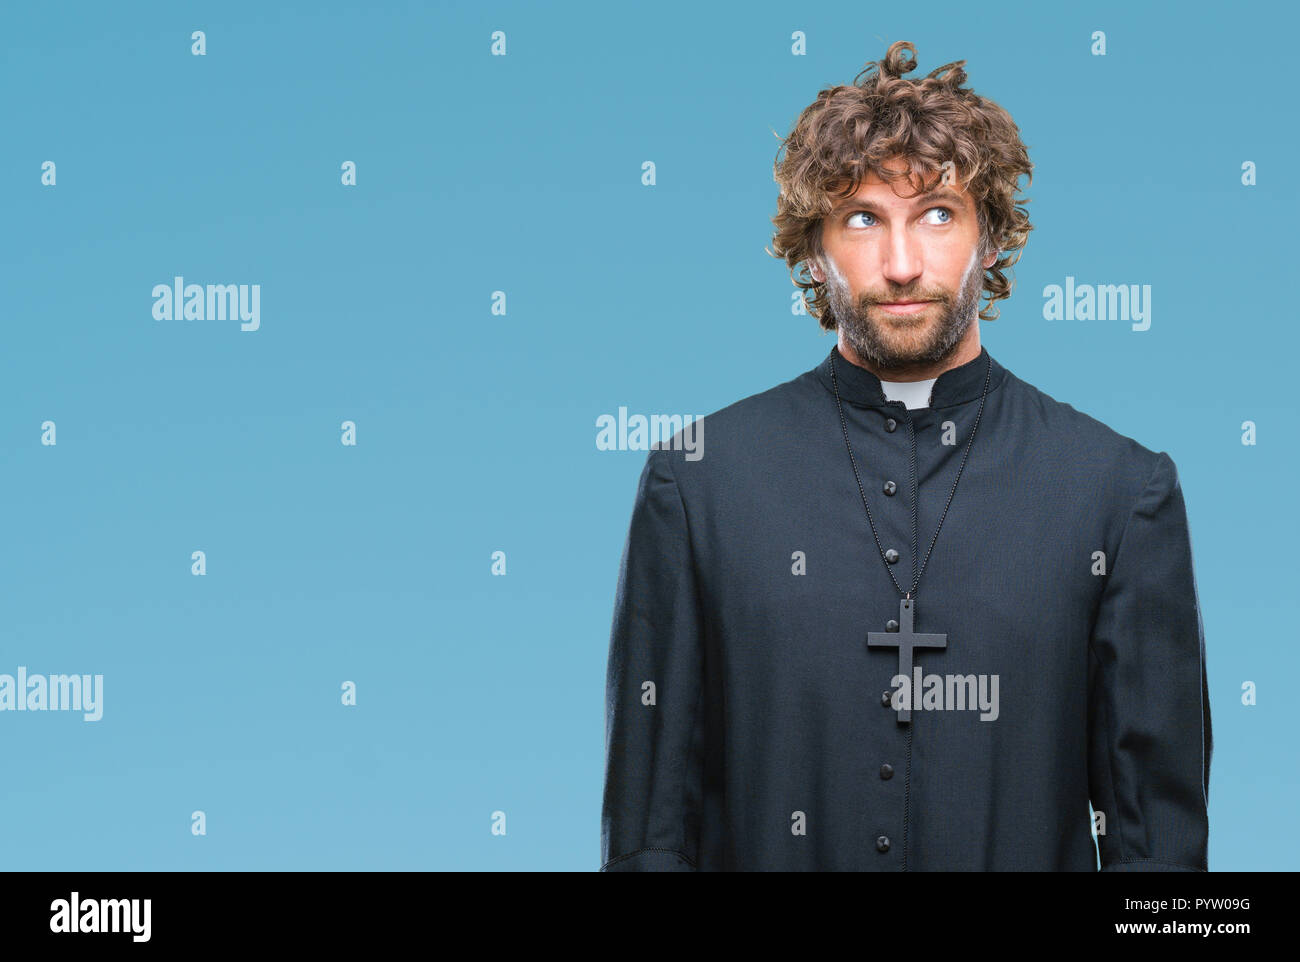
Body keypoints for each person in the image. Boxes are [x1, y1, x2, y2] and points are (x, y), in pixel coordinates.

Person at [600, 40, 1210, 871]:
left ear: (989, 237)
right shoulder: (699, 482)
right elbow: (648, 840)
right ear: (813, 252)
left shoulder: (1119, 491)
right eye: (861, 218)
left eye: (937, 214)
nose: (900, 264)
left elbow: (1163, 862)